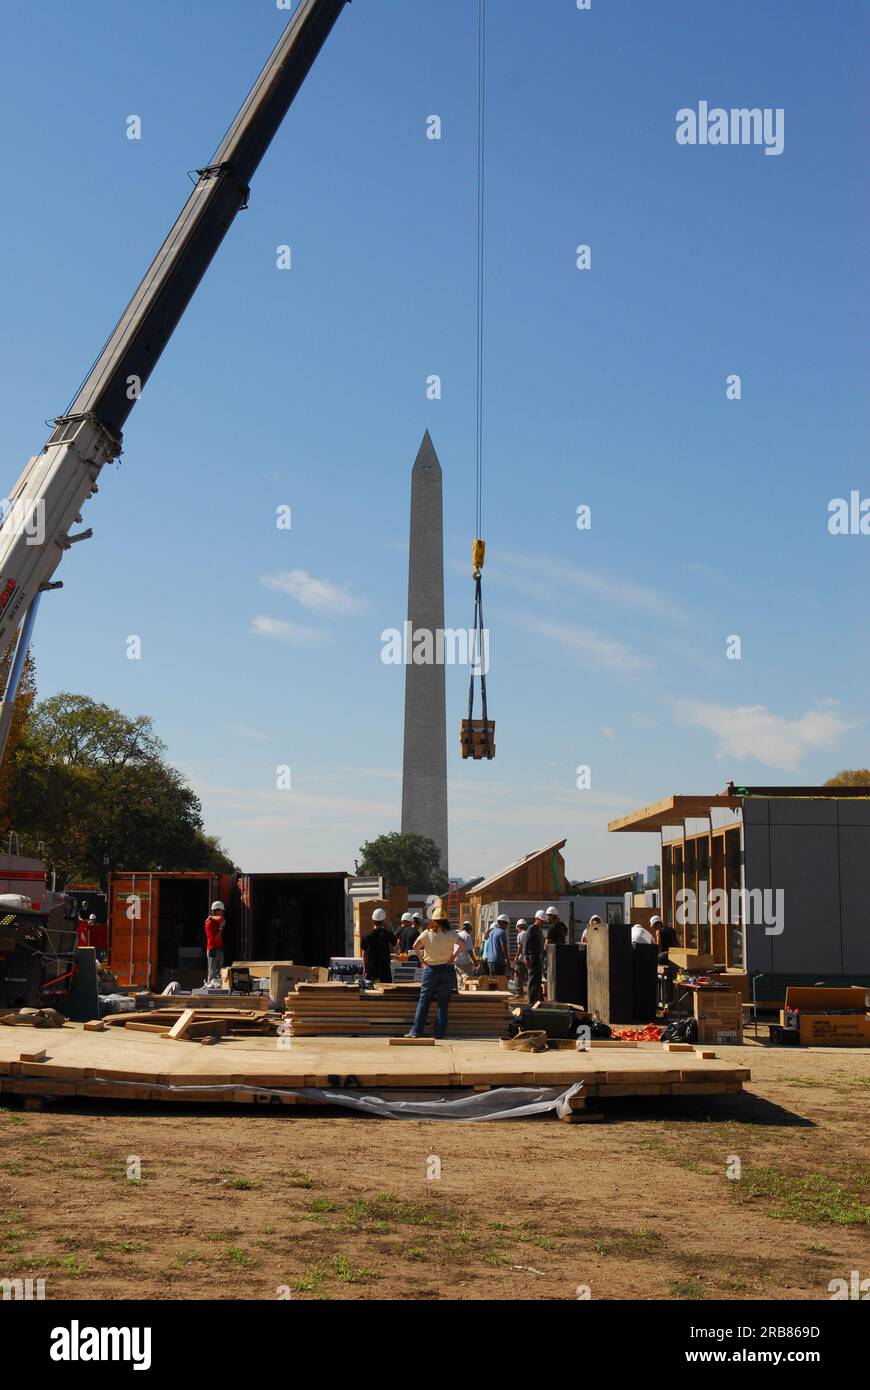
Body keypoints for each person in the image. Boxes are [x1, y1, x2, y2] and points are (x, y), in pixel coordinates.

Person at [406, 906, 464, 1038]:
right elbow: (463, 945)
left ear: (434, 920)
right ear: (445, 920)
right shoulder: (451, 933)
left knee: (424, 1001)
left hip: (430, 970)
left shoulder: (427, 933)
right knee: (443, 1004)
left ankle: (416, 1031)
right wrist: (452, 958)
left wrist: (422, 960)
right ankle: (439, 1034)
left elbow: (415, 946)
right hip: (447, 969)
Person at [361, 907, 395, 984]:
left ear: (373, 920)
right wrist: (387, 928)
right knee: (386, 992)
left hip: (371, 971)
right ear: (383, 921)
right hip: (384, 970)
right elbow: (394, 942)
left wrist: (364, 968)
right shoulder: (387, 934)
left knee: (371, 991)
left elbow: (364, 954)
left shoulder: (366, 936)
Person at [523, 910, 545, 1006]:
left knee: (537, 980)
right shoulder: (531, 929)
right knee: (532, 980)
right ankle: (531, 1002)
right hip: (532, 958)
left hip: (538, 958)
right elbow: (526, 943)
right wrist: (526, 957)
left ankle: (536, 1000)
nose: (543, 922)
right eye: (541, 920)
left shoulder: (539, 930)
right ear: (536, 919)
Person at [204, 901, 226, 987]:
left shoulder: (217, 920)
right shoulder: (209, 924)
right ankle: (210, 986)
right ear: (216, 911)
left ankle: (217, 986)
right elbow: (214, 938)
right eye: (221, 911)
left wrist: (212, 918)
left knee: (219, 970)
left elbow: (222, 918)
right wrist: (221, 929)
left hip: (219, 948)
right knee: (212, 971)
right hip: (213, 949)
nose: (222, 913)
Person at [454, 919, 476, 988]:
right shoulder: (467, 936)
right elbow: (470, 951)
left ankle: (460, 990)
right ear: (470, 929)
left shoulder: (457, 935)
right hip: (464, 962)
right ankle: (468, 993)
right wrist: (475, 962)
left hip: (456, 961)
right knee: (468, 979)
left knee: (460, 979)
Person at [514, 918, 528, 996]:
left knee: (518, 975)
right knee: (527, 976)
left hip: (521, 959)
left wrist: (516, 957)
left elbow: (520, 947)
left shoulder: (520, 934)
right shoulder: (528, 933)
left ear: (518, 927)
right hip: (528, 958)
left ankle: (519, 993)